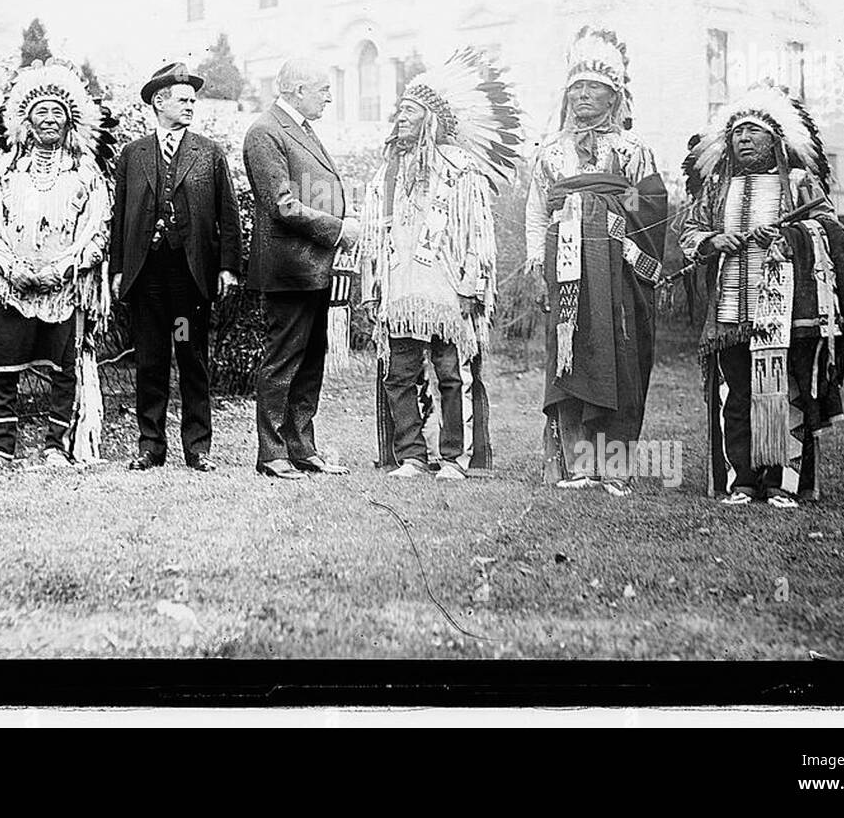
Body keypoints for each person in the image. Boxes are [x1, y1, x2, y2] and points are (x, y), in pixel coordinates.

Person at [680, 82, 844, 508]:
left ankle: (782, 483)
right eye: (737, 134)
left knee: (785, 394)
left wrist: (791, 234)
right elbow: (688, 234)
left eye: (754, 133)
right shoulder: (716, 188)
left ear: (776, 140)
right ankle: (743, 481)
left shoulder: (799, 184)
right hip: (730, 312)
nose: (744, 140)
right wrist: (715, 240)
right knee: (737, 395)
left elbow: (831, 230)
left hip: (787, 312)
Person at [360, 48, 520, 479]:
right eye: (399, 111)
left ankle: (455, 457)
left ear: (430, 118)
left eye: (409, 111)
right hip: (400, 291)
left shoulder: (461, 167)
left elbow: (477, 235)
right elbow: (375, 235)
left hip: (446, 289)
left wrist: (471, 285)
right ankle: (412, 454)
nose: (400, 118)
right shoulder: (387, 171)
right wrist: (374, 287)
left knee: (453, 374)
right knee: (400, 376)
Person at [525, 27, 668, 497]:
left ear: (614, 97)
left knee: (618, 358)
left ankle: (615, 466)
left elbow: (650, 207)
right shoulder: (550, 152)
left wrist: (616, 226)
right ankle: (576, 464)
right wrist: (534, 260)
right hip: (565, 272)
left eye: (595, 88)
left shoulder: (632, 150)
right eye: (577, 88)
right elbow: (536, 210)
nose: (584, 95)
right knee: (568, 358)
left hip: (616, 274)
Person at [0, 59, 116, 471]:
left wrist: (65, 267)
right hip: (12, 285)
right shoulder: (5, 172)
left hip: (64, 286)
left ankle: (57, 446)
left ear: (71, 122)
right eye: (41, 112)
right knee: (0, 368)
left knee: (64, 370)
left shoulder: (86, 173)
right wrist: (9, 265)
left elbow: (97, 229)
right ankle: (0, 448)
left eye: (58, 113)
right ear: (25, 120)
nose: (49, 119)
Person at [110, 62, 242, 473]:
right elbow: (120, 219)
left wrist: (227, 268)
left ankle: (197, 447)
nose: (191, 106)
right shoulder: (133, 155)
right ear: (158, 102)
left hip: (187, 283)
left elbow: (228, 215)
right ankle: (150, 446)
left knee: (189, 356)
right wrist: (118, 269)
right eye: (183, 100)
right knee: (150, 359)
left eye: (193, 100)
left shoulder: (209, 152)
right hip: (148, 280)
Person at [242, 58, 359, 479]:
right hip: (289, 269)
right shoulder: (265, 132)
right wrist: (339, 230)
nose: (329, 96)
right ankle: (272, 453)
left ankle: (302, 449)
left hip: (314, 268)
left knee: (310, 361)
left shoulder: (300, 129)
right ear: (295, 90)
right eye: (323, 89)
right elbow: (283, 205)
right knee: (283, 360)